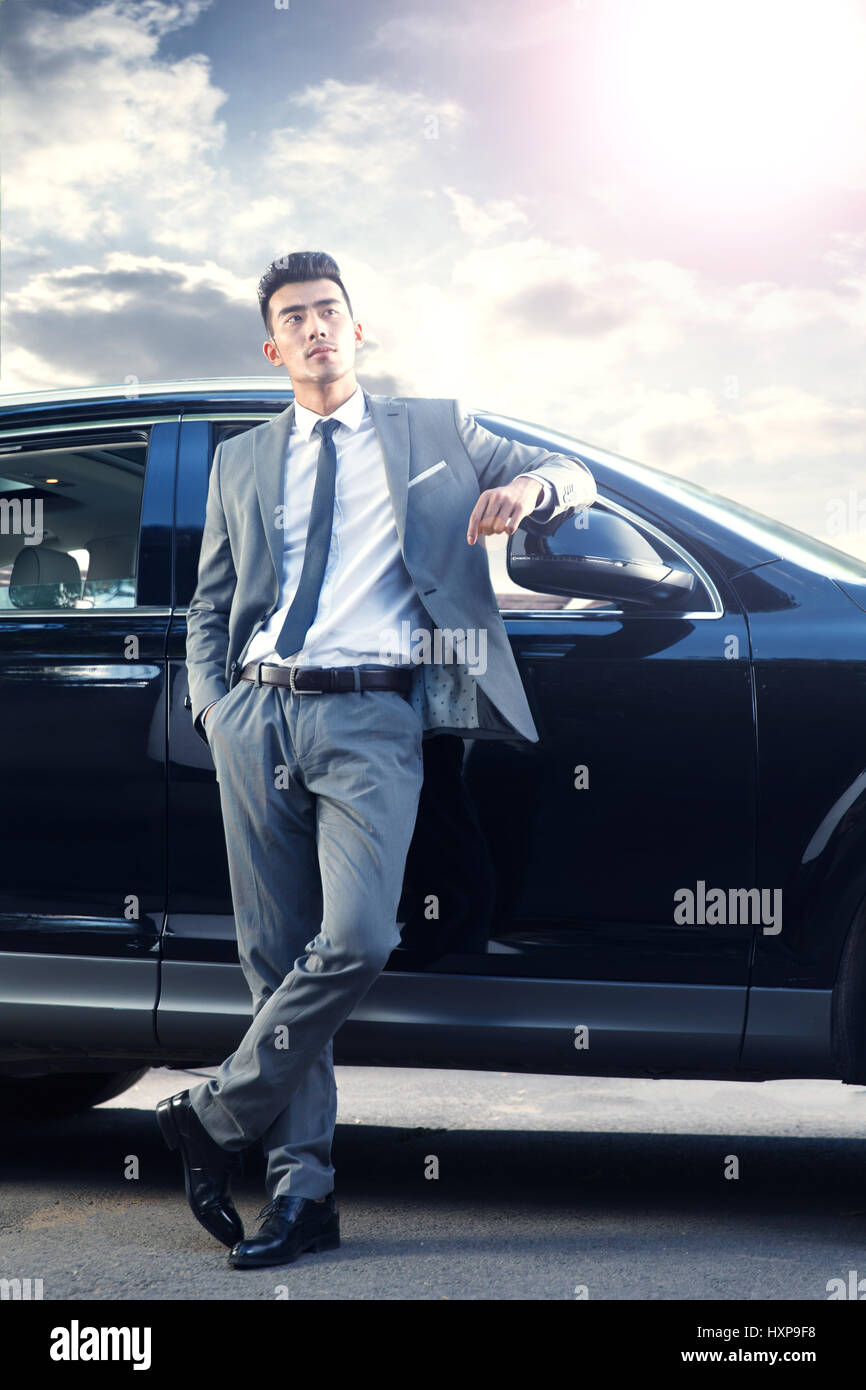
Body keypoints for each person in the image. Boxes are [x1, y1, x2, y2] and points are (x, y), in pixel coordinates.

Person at [157, 250, 597, 1270]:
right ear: (273, 347)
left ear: (359, 331)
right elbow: (210, 604)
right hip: (257, 715)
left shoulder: (435, 432)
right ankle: (300, 1191)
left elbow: (576, 476)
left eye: (329, 311)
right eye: (294, 317)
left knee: (355, 938)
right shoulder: (239, 459)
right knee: (272, 965)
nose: (315, 327)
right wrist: (214, 705)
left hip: (373, 720)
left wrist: (528, 489)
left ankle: (212, 1115)